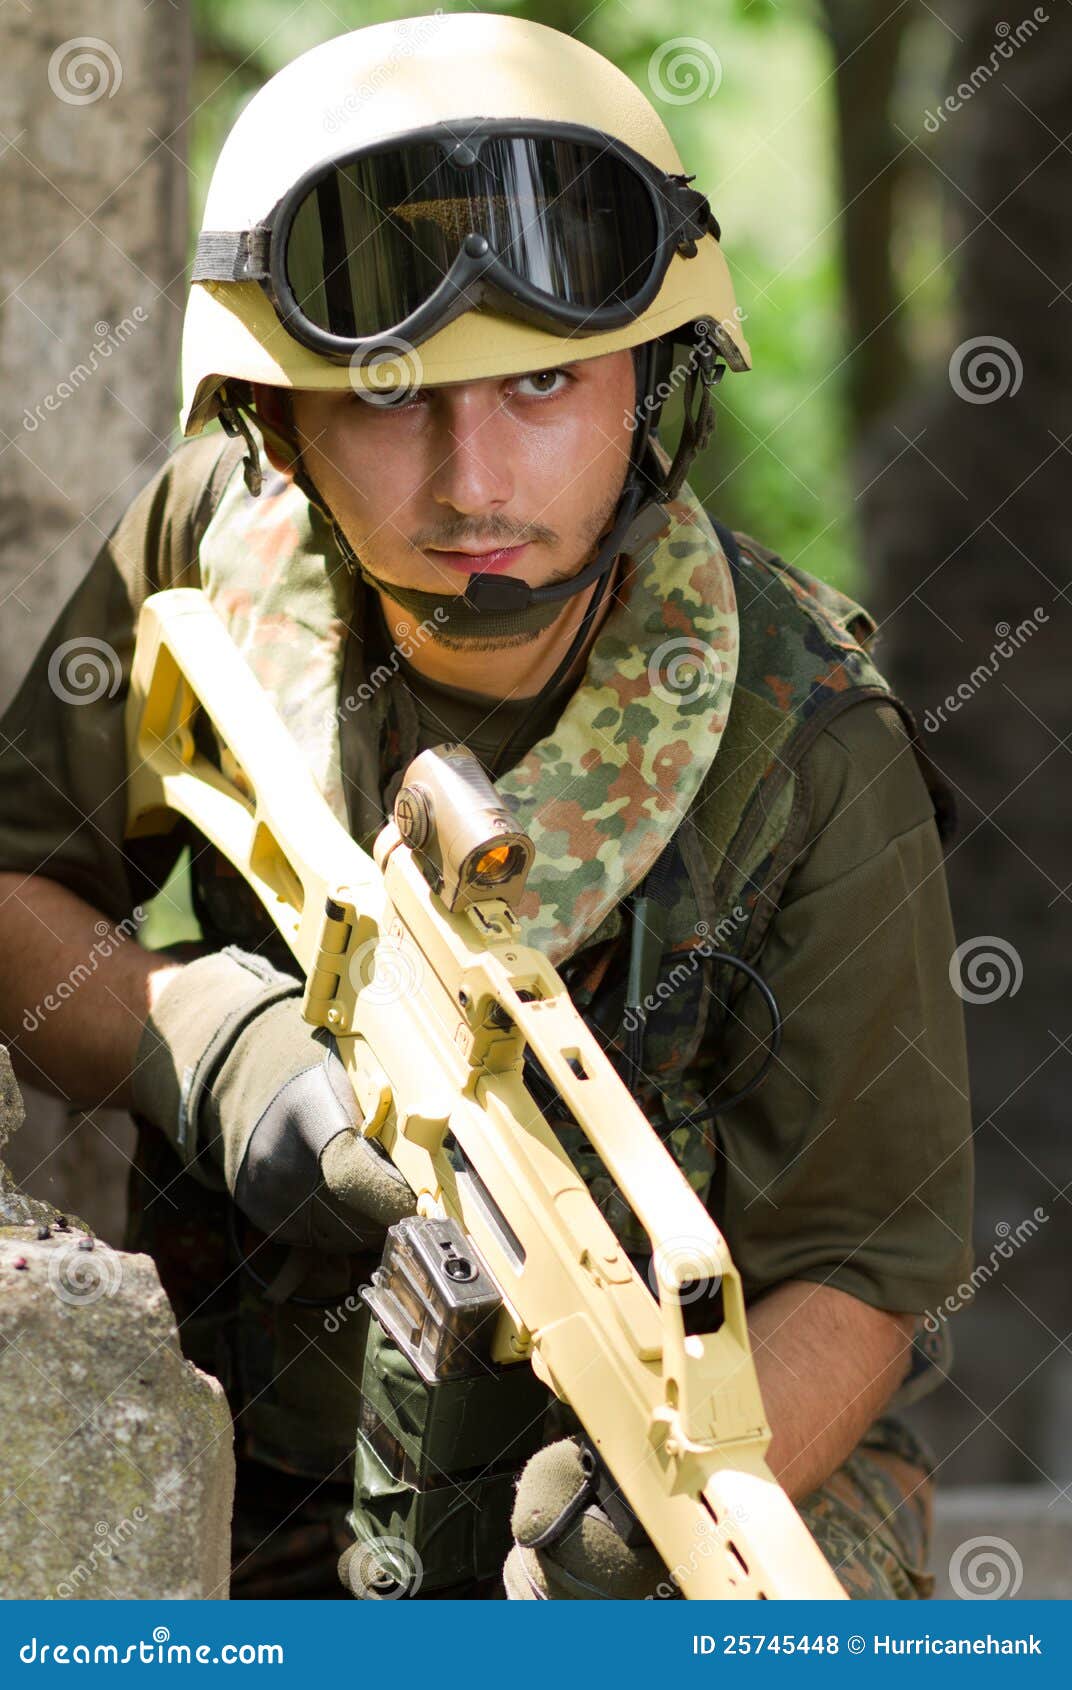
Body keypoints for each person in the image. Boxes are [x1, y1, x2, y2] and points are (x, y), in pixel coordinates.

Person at [0, 13, 973, 1601]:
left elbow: (866, 1273)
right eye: (392, 400)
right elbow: (14, 886)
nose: (473, 481)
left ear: (653, 382)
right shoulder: (215, 556)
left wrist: (649, 1511)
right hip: (267, 1446)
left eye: (543, 384)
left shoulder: (805, 744)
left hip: (714, 1471)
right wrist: (203, 1041)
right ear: (275, 421)